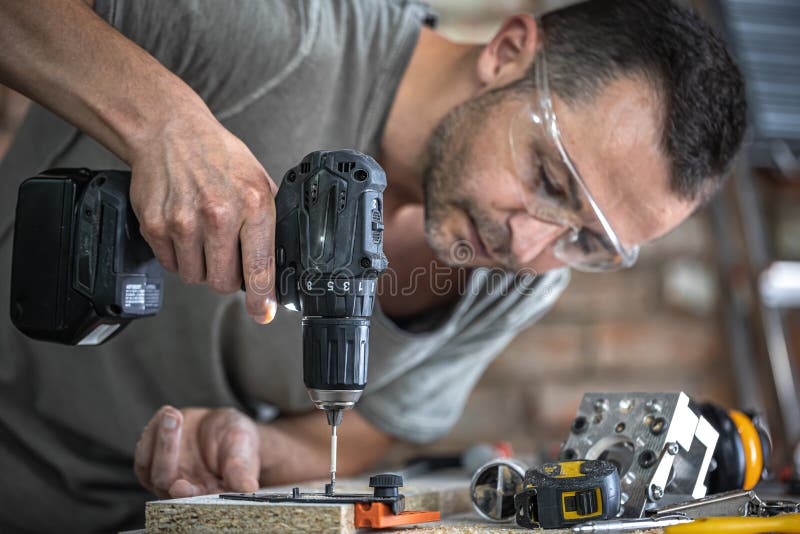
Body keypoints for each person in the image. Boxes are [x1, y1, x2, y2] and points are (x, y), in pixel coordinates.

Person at [0, 0, 745, 531]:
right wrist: (162, 120)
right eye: (551, 181)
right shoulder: (282, 32)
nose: (529, 249)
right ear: (506, 52)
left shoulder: (524, 276)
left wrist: (252, 447)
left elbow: (371, 428)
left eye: (587, 242)